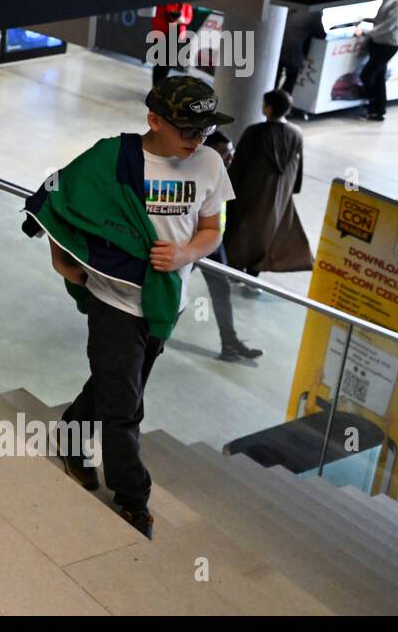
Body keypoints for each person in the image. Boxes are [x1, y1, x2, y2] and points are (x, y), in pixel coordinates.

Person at [22, 76, 235, 539]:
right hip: (113, 300)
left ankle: (71, 435)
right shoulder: (111, 158)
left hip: (167, 302)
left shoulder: (210, 163)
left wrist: (183, 254)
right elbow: (57, 201)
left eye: (205, 130)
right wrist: (61, 261)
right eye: (187, 130)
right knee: (125, 408)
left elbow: (212, 230)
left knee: (118, 385)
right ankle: (133, 499)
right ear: (154, 120)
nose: (198, 140)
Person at [222, 89, 313, 294]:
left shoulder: (255, 132)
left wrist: (227, 188)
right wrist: (291, 189)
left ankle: (235, 273)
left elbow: (239, 164)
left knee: (239, 231)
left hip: (250, 193)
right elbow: (297, 166)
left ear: (268, 109)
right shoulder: (296, 133)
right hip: (279, 195)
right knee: (266, 234)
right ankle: (252, 277)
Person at [201, 132, 262, 361]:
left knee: (222, 290)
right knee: (175, 292)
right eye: (225, 152)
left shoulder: (222, 173)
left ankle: (230, 343)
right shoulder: (197, 174)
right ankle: (151, 337)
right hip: (195, 246)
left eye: (231, 151)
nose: (230, 157)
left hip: (214, 246)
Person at [355, 0, 398, 121]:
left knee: (367, 75)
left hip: (388, 44)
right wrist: (366, 20)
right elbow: (381, 20)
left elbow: (389, 24)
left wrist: (366, 32)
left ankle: (373, 103)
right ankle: (378, 110)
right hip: (378, 43)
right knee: (379, 77)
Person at [150, 2, 194, 88]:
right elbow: (166, 13)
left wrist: (183, 20)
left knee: (168, 63)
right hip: (162, 30)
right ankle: (156, 88)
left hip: (175, 32)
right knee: (159, 62)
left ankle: (160, 87)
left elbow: (188, 16)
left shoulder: (186, 3)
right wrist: (175, 17)